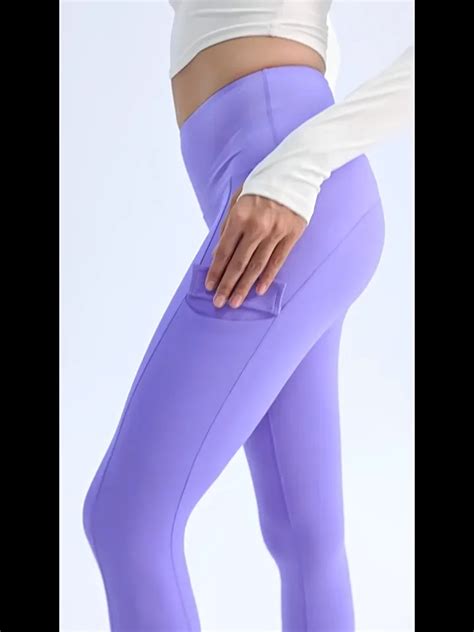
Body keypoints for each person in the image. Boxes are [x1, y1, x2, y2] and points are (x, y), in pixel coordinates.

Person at [82, 1, 414, 630]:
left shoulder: (296, 170)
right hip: (285, 197)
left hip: (290, 200)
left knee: (127, 519)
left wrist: (303, 162)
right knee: (303, 535)